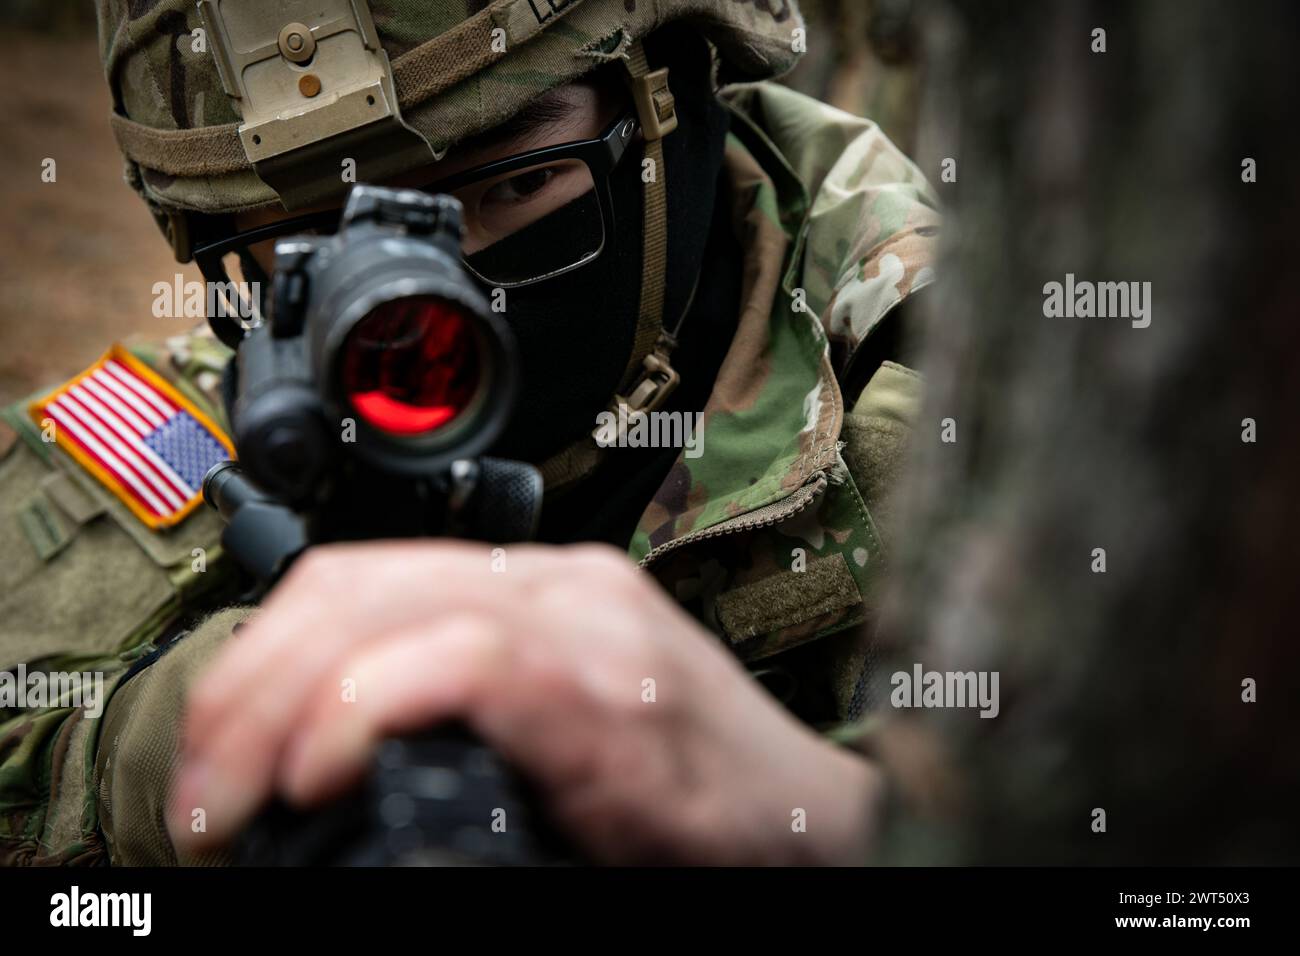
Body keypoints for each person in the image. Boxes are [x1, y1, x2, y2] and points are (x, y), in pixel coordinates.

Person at [0, 0, 938, 865]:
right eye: (309, 242)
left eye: (520, 183)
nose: (430, 308)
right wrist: (150, 748)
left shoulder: (968, 426)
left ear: (676, 100)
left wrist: (817, 812)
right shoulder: (162, 438)